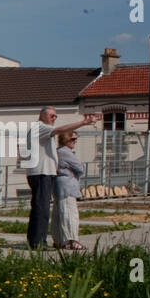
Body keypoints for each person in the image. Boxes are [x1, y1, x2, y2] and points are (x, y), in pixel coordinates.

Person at [22, 107, 99, 250]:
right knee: (41, 208)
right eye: (52, 115)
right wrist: (84, 122)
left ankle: (37, 240)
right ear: (42, 116)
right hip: (41, 173)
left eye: (56, 116)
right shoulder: (40, 128)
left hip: (45, 173)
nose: (54, 118)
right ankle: (37, 242)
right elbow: (60, 130)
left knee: (42, 207)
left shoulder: (44, 131)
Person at [51, 130, 86, 251]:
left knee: (58, 214)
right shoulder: (65, 152)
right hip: (68, 187)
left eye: (76, 139)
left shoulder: (57, 152)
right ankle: (71, 241)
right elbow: (80, 168)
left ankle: (59, 240)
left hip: (59, 186)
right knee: (70, 214)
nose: (75, 141)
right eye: (72, 139)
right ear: (66, 140)